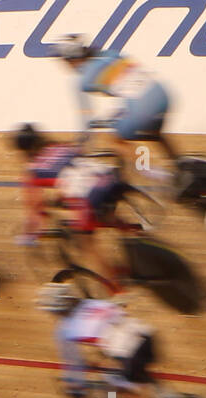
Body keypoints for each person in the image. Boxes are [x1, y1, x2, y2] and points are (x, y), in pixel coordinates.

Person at [13, 123, 124, 288]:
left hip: (90, 194)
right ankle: (133, 235)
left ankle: (117, 288)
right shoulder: (59, 145)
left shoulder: (33, 170)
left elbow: (37, 209)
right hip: (109, 176)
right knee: (105, 215)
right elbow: (74, 164)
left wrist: (30, 234)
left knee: (85, 243)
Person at [53, 34, 177, 170]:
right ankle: (178, 164)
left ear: (70, 59)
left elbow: (88, 118)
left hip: (142, 107)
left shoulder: (85, 81)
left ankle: (153, 173)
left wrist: (82, 142)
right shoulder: (111, 54)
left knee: (116, 140)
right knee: (153, 132)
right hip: (161, 94)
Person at [37, 281, 155, 398]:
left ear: (57, 312)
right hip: (147, 335)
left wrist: (75, 386)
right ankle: (154, 390)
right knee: (119, 363)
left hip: (128, 354)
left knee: (122, 387)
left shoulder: (65, 329)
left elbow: (74, 363)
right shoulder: (92, 302)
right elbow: (119, 307)